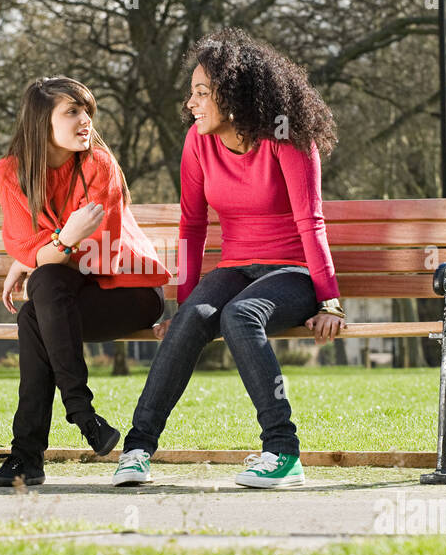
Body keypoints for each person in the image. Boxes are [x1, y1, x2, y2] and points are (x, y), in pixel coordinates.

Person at [112, 27, 345, 490]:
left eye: (202, 92)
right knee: (193, 319)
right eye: (191, 93)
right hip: (235, 268)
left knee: (241, 317)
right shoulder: (199, 142)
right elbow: (192, 226)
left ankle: (282, 451)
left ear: (233, 94)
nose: (191, 103)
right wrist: (181, 307)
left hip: (291, 272)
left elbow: (310, 222)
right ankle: (137, 449)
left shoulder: (288, 137)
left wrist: (329, 301)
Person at [0, 76, 170, 487]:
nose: (85, 120)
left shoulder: (98, 165)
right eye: (72, 111)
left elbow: (91, 254)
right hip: (69, 296)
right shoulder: (10, 173)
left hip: (130, 290)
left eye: (87, 110)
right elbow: (43, 251)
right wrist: (45, 251)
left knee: (43, 294)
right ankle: (77, 423)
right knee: (36, 311)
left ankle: (39, 445)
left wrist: (39, 254)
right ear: (40, 123)